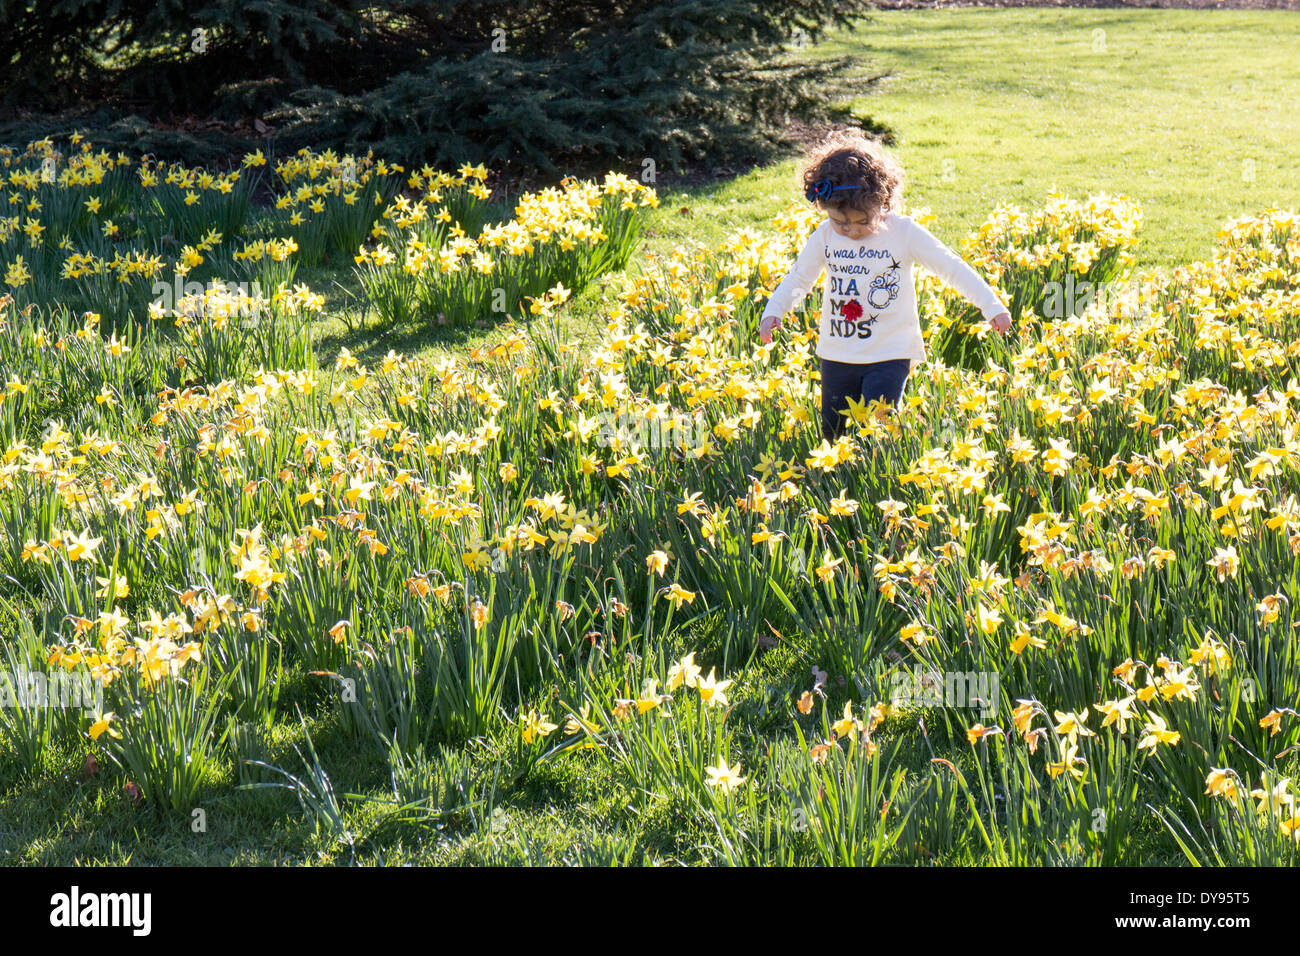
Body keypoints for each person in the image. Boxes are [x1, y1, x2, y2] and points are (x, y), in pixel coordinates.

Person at [758, 129, 1012, 443]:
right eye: (840, 221)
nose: (850, 230)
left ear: (881, 202)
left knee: (878, 433)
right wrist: (775, 310)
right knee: (833, 437)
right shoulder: (825, 235)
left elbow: (951, 267)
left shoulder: (903, 232)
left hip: (890, 353)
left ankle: (881, 483)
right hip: (838, 353)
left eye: (861, 221)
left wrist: (991, 306)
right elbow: (799, 278)